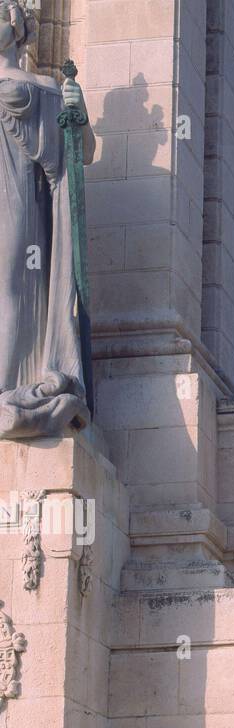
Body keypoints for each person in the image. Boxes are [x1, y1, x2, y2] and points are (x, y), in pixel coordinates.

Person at [0, 5, 96, 438]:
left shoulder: (37, 87)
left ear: (15, 31)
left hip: (16, 204)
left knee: (10, 287)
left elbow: (77, 153)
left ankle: (9, 385)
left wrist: (78, 117)